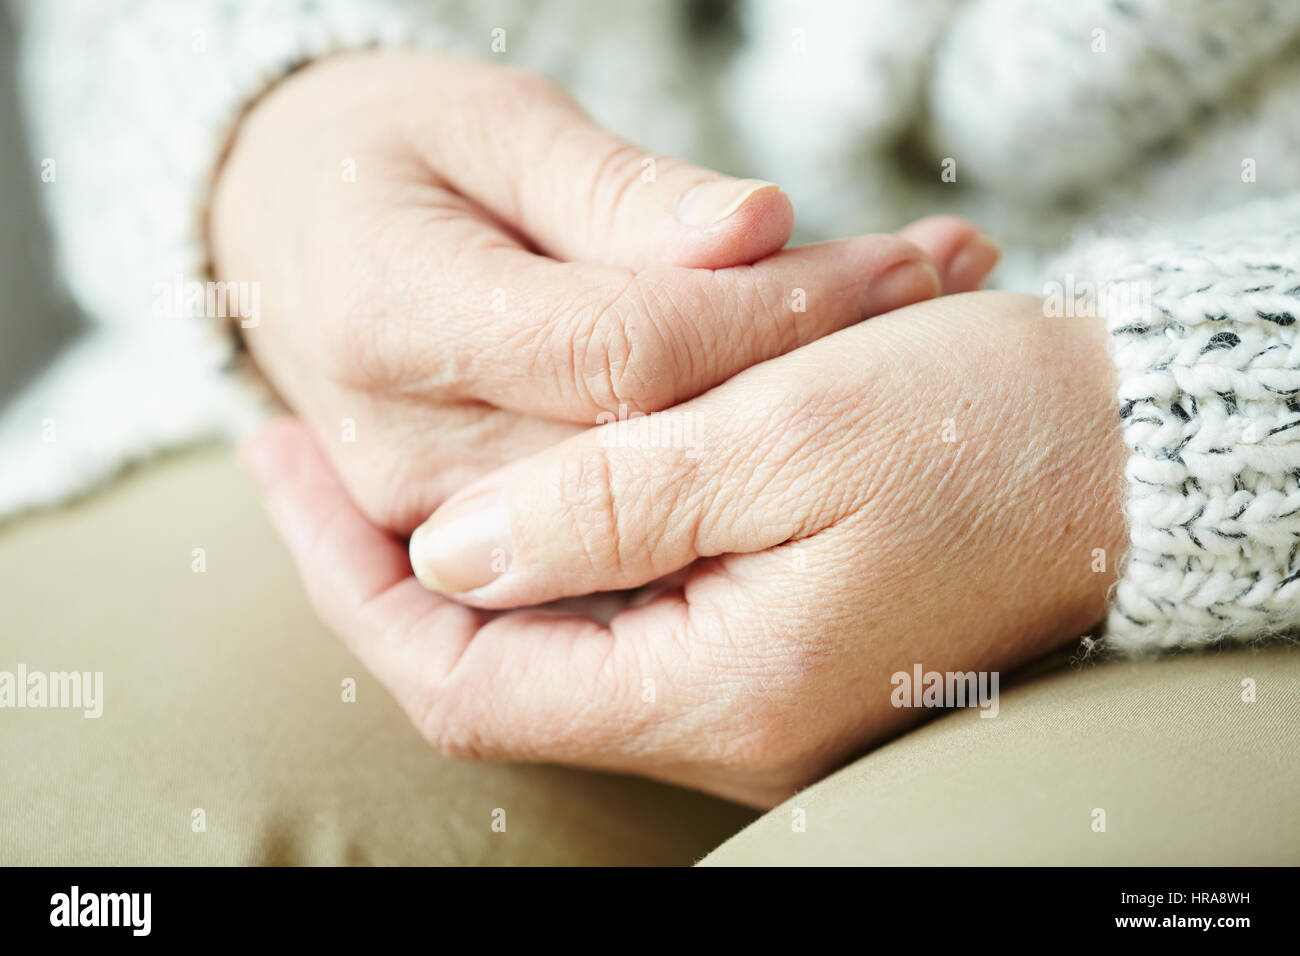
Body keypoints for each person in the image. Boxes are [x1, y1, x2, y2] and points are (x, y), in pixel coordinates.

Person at [8, 0, 1300, 809]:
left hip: (1234, 521)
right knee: (102, 802)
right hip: (422, 367)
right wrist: (291, 118)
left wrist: (1182, 417)